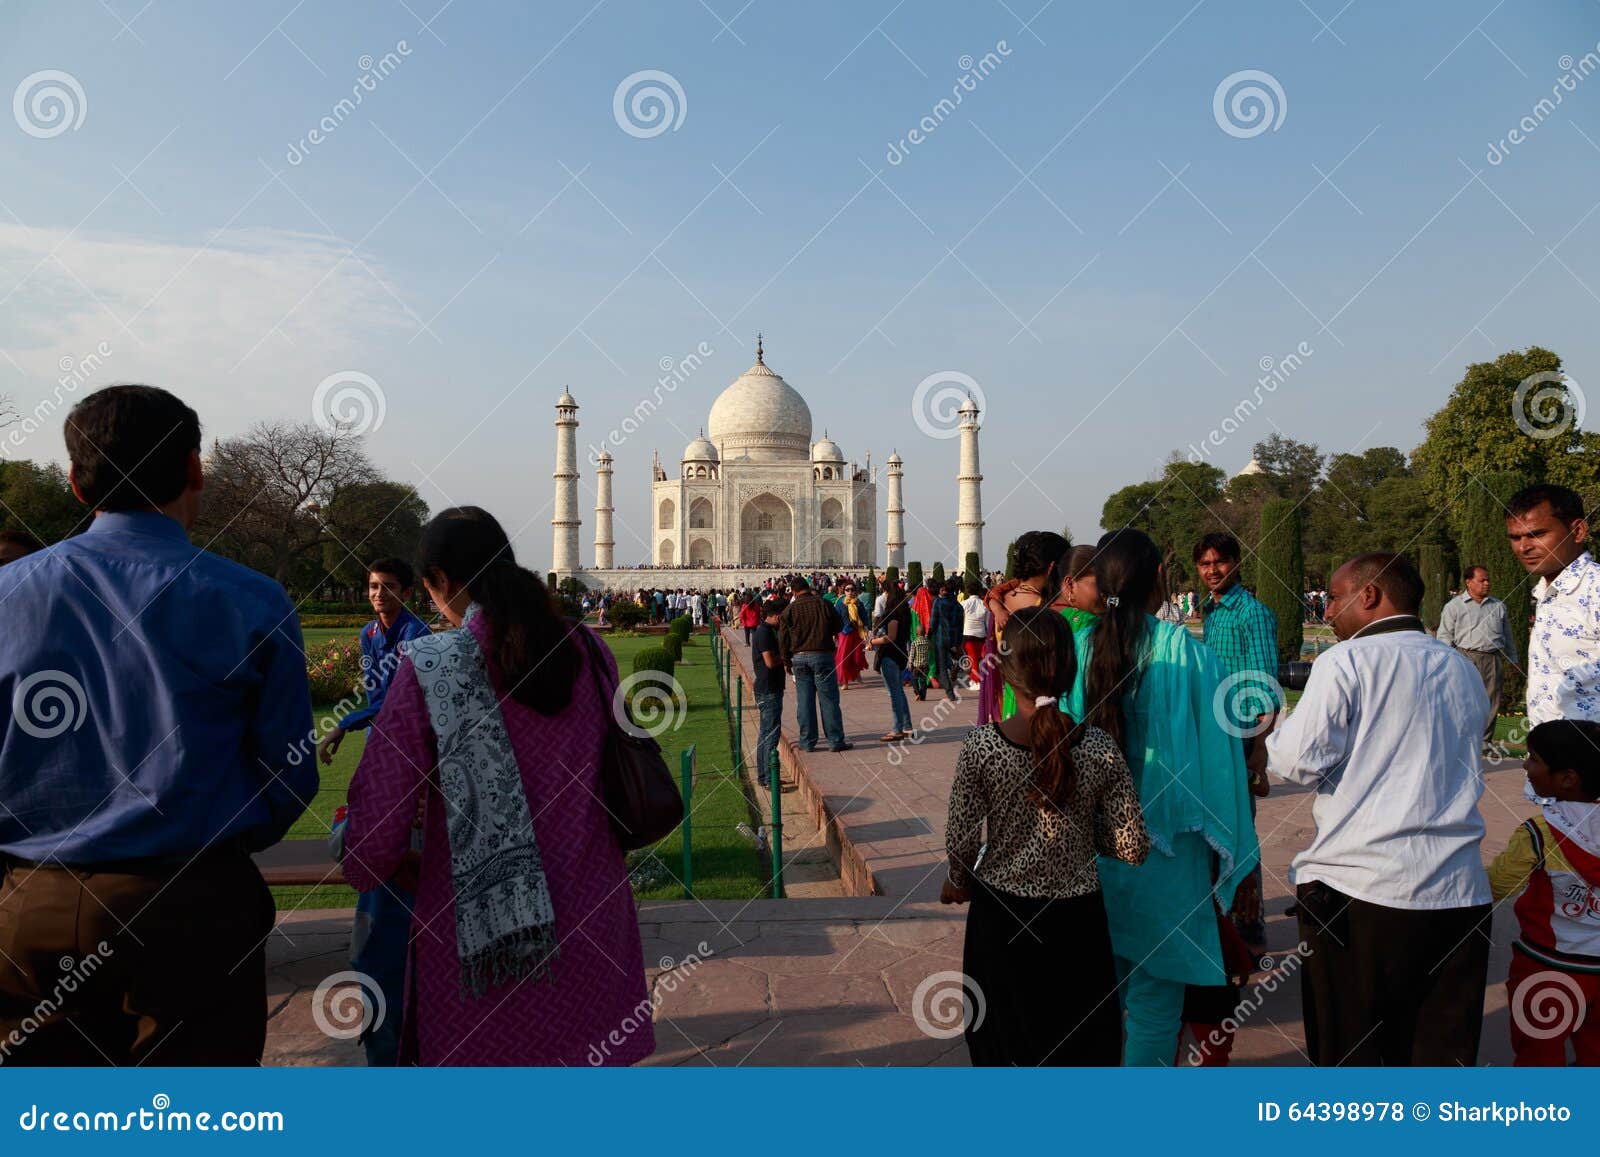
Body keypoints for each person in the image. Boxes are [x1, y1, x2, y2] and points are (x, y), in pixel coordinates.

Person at [0, 384, 316, 1065]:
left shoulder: (10, 596)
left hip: (33, 910)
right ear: (195, 470)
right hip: (191, 911)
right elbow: (289, 775)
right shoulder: (249, 599)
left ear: (76, 484)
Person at [342, 507, 652, 1065]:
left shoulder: (435, 663)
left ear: (441, 583)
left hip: (480, 942)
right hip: (592, 915)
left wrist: (369, 854)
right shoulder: (587, 650)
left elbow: (377, 822)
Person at [1267, 552, 1492, 1066]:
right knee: (1438, 1056)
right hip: (1458, 892)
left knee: (1355, 1054)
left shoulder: (1345, 661)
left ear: (1369, 596)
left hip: (1362, 890)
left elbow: (1299, 761)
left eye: (1335, 598)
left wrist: (1270, 734)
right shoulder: (1460, 666)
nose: (1328, 614)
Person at [1063, 528, 1258, 1067]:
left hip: (1095, 844)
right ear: (1157, 581)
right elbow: (1222, 760)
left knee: (1101, 998)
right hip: (1168, 849)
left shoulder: (1077, 649)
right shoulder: (1185, 653)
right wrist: (1235, 849)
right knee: (1156, 1004)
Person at [942, 607, 1148, 1065]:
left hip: (1002, 916)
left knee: (1001, 1043)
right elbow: (1134, 845)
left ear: (1005, 667)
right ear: (1070, 669)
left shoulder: (982, 746)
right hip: (1077, 920)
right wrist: (1083, 835)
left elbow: (961, 835)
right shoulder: (1097, 746)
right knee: (1078, 1049)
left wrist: (958, 878)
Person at [319, 558, 432, 1066]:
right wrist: (352, 724)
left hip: (410, 756)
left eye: (387, 587)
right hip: (387, 752)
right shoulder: (371, 634)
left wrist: (345, 725)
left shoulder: (418, 634)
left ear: (407, 591)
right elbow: (375, 696)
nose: (378, 595)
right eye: (372, 587)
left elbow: (396, 700)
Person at [1487, 719, 1600, 1066]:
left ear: (1567, 778)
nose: (1524, 764)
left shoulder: (1539, 832)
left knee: (1539, 1057)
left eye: (1534, 758)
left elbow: (1499, 884)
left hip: (1547, 969)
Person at [1194, 531, 1277, 955]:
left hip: (1242, 736)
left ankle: (1249, 930)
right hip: (1218, 736)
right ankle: (1226, 925)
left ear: (1236, 563)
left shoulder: (1251, 613)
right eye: (1205, 564)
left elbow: (1264, 685)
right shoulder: (1212, 611)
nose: (1212, 571)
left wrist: (1260, 746)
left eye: (1219, 562)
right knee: (1221, 831)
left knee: (1240, 833)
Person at [1507, 484, 1599, 731]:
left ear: (1577, 531)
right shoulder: (1545, 593)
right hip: (1549, 760)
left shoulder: (1594, 590)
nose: (1523, 547)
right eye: (1516, 537)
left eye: (1536, 534)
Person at [986, 531, 1072, 721]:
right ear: (1052, 569)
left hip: (1012, 702)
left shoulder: (1001, 602)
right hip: (1048, 708)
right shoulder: (1053, 610)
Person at [1436, 564, 1519, 753]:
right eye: (1482, 580)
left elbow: (1508, 636)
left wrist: (1513, 658)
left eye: (1488, 579)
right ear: (1468, 582)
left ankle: (1484, 743)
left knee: (1492, 701)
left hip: (1493, 658)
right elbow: (1444, 636)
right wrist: (1448, 661)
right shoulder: (1454, 606)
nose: (1487, 583)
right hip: (1465, 657)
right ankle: (1461, 740)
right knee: (1463, 700)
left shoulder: (1498, 606)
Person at [778, 576, 852, 753]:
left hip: (800, 658)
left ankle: (807, 742)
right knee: (829, 700)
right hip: (822, 656)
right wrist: (824, 632)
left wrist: (787, 662)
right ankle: (835, 741)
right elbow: (839, 625)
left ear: (794, 592)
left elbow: (783, 639)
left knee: (804, 701)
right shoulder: (823, 604)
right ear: (809, 588)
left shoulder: (790, 610)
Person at [867, 581, 915, 741]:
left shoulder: (894, 614)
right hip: (900, 655)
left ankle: (897, 730)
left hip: (891, 656)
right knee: (898, 691)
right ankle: (907, 727)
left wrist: (872, 643)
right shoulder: (905, 612)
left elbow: (890, 638)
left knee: (894, 693)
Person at [752, 597, 787, 787]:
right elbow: (770, 662)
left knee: (765, 734)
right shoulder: (764, 633)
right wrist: (786, 657)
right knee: (770, 735)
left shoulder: (766, 631)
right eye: (781, 616)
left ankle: (765, 776)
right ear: (774, 615)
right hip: (769, 688)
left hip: (768, 687)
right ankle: (767, 778)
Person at [930, 579, 964, 703]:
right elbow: (961, 626)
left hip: (941, 638)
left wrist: (929, 634)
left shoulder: (938, 602)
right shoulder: (959, 606)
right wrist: (959, 642)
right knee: (951, 659)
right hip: (954, 638)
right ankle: (955, 665)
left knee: (942, 666)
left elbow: (933, 622)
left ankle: (950, 694)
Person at [833, 580, 870, 690]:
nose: (850, 592)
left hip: (857, 633)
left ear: (856, 591)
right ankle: (845, 681)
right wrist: (834, 633)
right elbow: (836, 619)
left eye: (852, 590)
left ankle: (857, 674)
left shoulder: (859, 604)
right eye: (847, 590)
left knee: (857, 657)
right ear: (844, 591)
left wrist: (865, 628)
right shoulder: (840, 604)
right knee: (843, 658)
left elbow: (865, 619)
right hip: (845, 634)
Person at [959, 578, 988, 693]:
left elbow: (961, 620)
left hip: (968, 634)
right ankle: (975, 680)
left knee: (973, 659)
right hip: (981, 634)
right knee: (979, 659)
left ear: (968, 591)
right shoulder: (984, 604)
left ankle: (976, 682)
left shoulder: (964, 604)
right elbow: (987, 621)